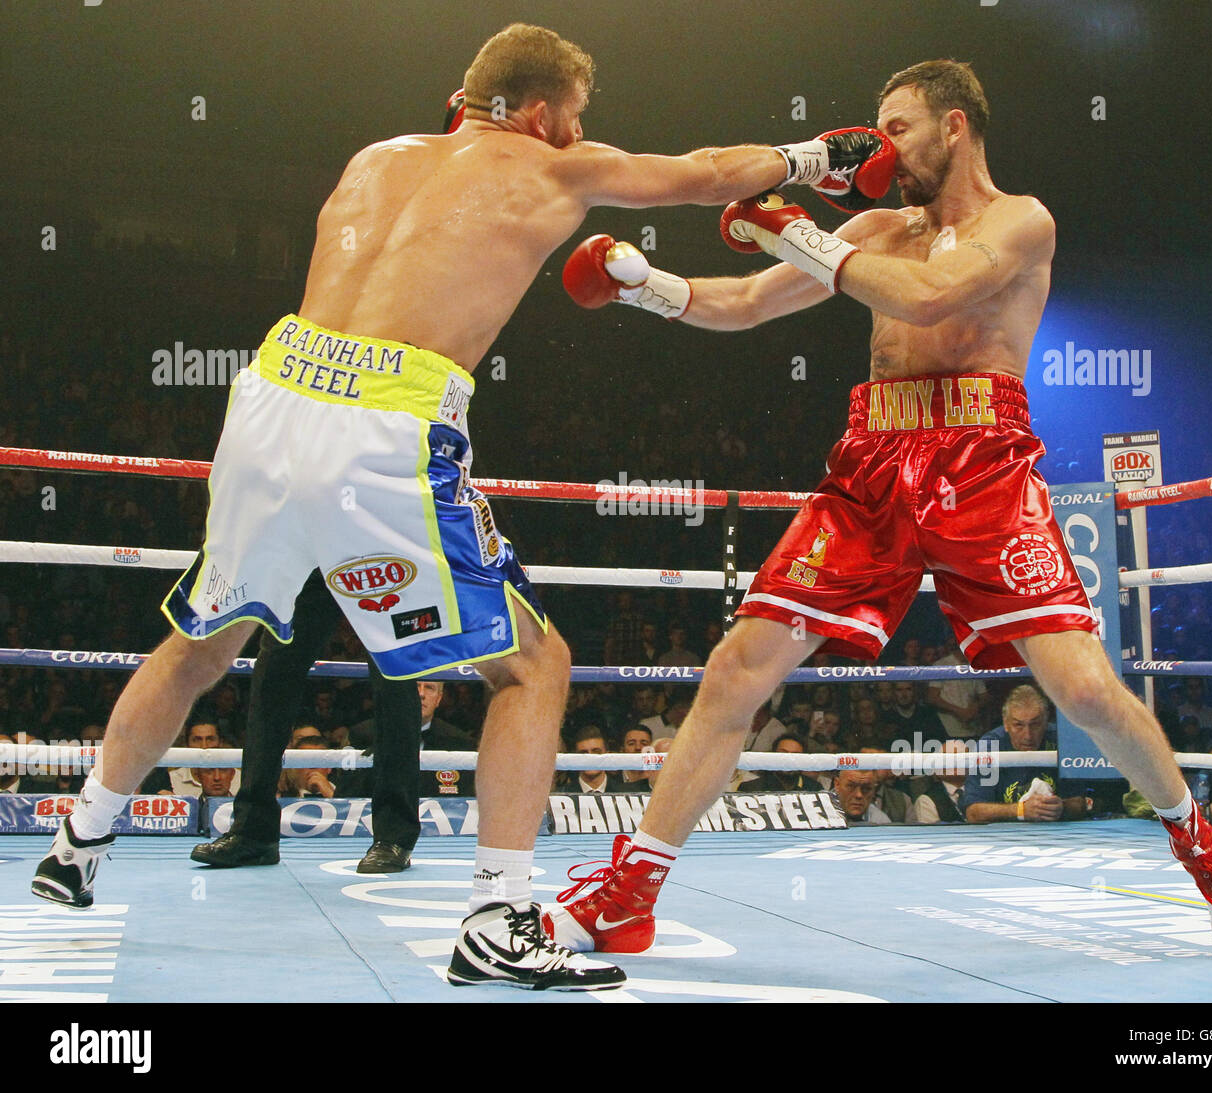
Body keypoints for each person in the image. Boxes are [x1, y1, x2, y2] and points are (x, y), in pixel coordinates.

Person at [32, 23, 890, 990]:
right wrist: (820, 155)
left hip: (270, 397)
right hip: (384, 423)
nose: (577, 137)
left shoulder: (373, 158)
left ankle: (78, 841)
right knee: (533, 667)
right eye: (573, 119)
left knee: (204, 644)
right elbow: (700, 175)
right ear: (536, 112)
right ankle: (497, 917)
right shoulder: (549, 167)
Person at [546, 59, 1212, 962]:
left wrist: (802, 235)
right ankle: (629, 892)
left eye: (898, 128)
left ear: (955, 125)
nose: (881, 147)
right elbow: (744, 304)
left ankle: (1209, 859)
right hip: (873, 465)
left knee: (1084, 688)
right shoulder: (879, 227)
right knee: (738, 666)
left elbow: (933, 295)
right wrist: (641, 282)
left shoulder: (1022, 219)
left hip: (984, 463)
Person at [189, 570, 425, 874]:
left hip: (376, 543)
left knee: (395, 676)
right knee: (273, 670)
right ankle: (252, 831)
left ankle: (395, 836)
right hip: (312, 549)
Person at [961, 686, 1088, 823]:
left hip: (1058, 833)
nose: (1028, 735)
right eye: (1018, 725)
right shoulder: (990, 746)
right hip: (1004, 836)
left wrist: (1061, 807)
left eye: (1035, 725)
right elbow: (974, 812)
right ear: (1006, 724)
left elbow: (1081, 803)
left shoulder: (1061, 741)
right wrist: (1020, 810)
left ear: (1046, 722)